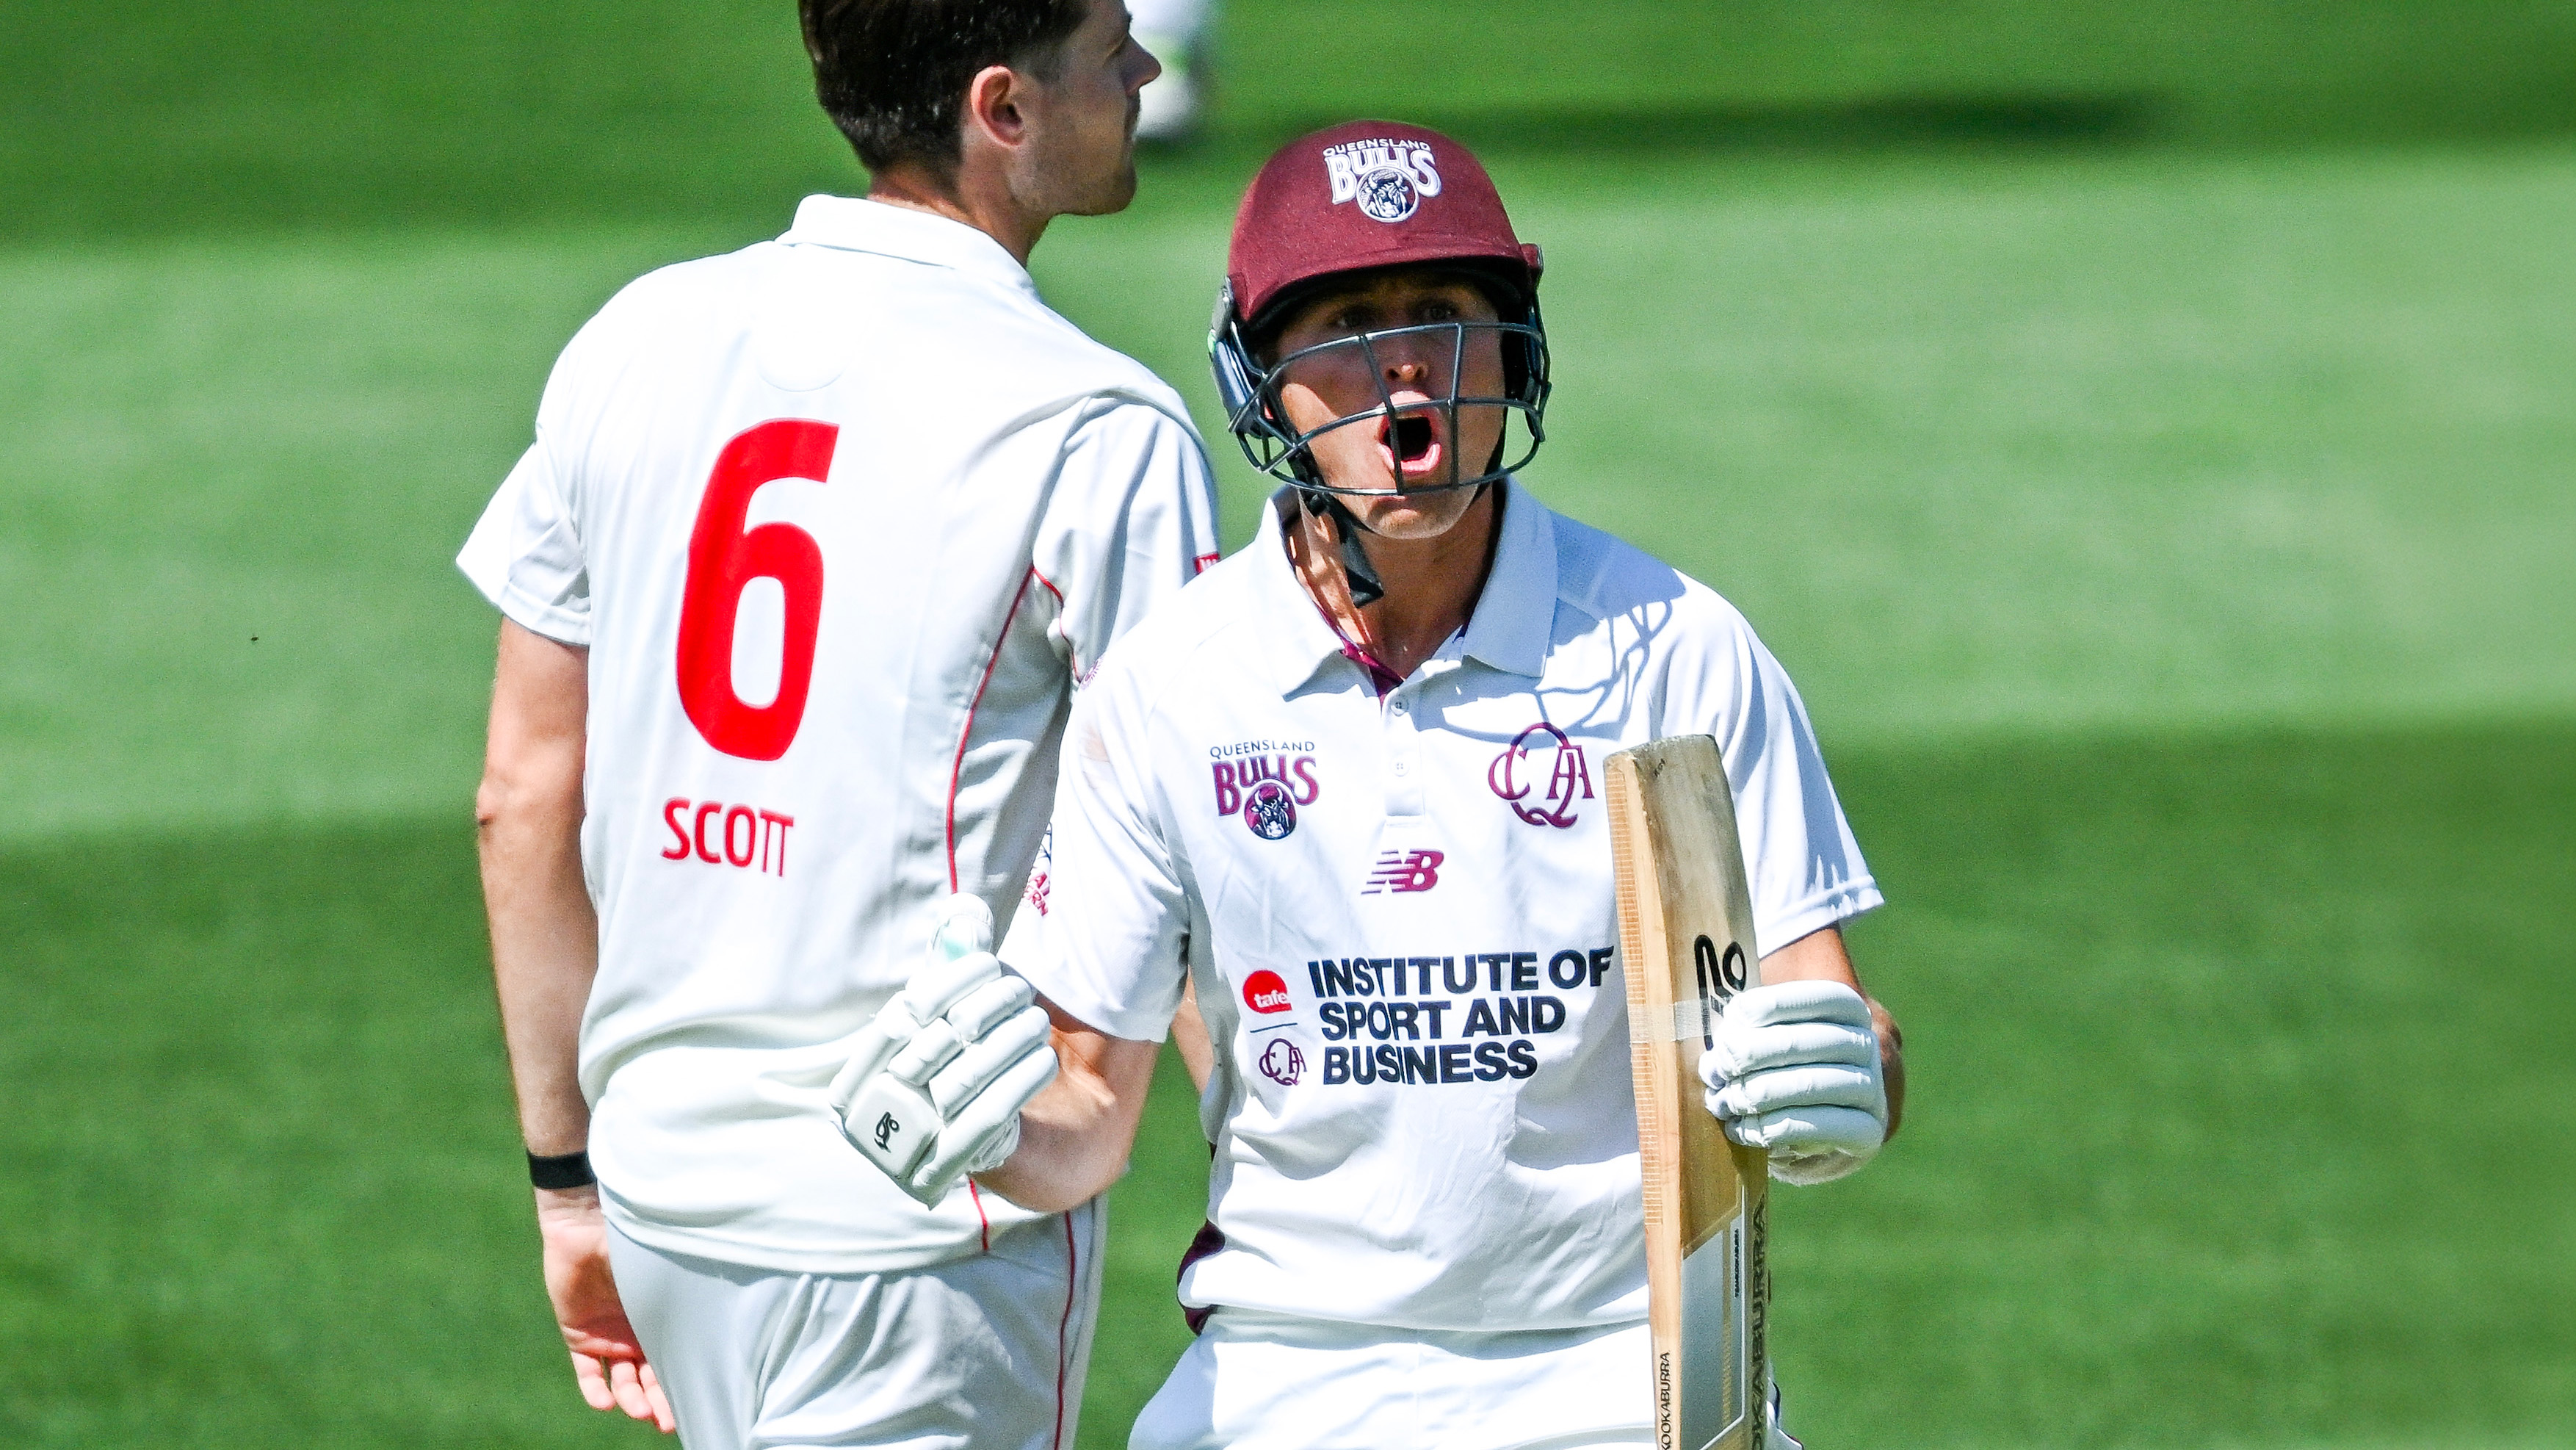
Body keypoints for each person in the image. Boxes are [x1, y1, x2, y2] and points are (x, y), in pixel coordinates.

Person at [962, 120, 1908, 1446]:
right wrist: (974, 1121)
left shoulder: (1674, 645)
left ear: (1512, 350)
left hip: (1625, 1366)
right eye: (1346, 321)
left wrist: (1847, 1081)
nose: (1402, 368)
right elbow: (1087, 1115)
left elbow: (1827, 1008)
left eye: (1444, 313)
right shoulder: (1171, 685)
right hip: (1292, 1366)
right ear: (1263, 379)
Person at [457, 2, 1216, 1446]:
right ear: (1002, 108)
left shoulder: (634, 341)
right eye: (1112, 43)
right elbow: (1189, 861)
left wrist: (568, 1185)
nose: (1144, 69)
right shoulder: (1099, 429)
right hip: (921, 1234)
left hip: (664, 1197)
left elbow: (521, 793)